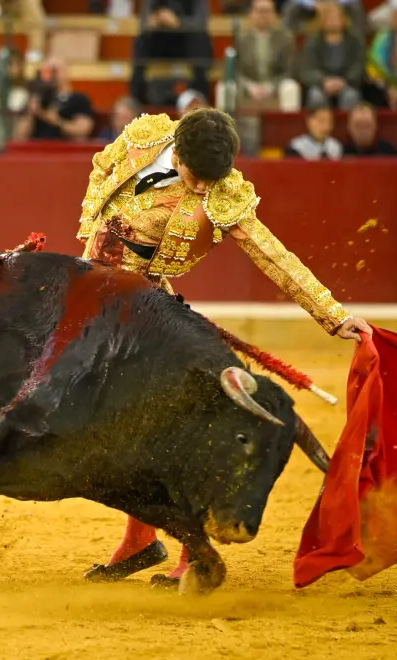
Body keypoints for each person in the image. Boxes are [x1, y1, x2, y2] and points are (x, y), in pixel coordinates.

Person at [76, 109, 372, 586]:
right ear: (178, 151)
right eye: (195, 179)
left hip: (146, 317)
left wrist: (332, 314)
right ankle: (139, 541)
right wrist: (94, 233)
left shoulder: (224, 194)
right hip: (93, 300)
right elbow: (101, 166)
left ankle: (189, 549)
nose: (199, 191)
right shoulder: (146, 136)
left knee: (151, 432)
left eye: (207, 183)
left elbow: (273, 255)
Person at [130, 0, 213, 105]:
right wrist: (154, 21)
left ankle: (198, 98)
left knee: (201, 40)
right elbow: (143, 22)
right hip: (161, 41)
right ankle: (136, 100)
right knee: (142, 39)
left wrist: (178, 22)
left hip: (186, 44)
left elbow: (201, 23)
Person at [298, 0, 365, 110]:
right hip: (320, 84)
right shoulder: (312, 42)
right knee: (316, 97)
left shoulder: (355, 40)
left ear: (343, 19)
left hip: (348, 83)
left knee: (350, 96)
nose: (333, 21)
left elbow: (359, 66)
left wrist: (344, 81)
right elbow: (307, 70)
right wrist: (323, 81)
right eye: (329, 18)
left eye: (336, 17)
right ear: (322, 20)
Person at [234, 0, 300, 111]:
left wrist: (270, 87)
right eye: (259, 11)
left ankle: (288, 127)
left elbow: (290, 71)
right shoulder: (241, 39)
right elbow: (235, 70)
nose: (263, 15)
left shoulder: (285, 39)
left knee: (290, 86)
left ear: (274, 14)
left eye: (267, 11)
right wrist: (250, 86)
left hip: (276, 85)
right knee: (225, 87)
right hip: (249, 86)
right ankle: (225, 126)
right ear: (251, 14)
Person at [13, 57, 95, 141]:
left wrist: (56, 121)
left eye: (55, 71)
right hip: (36, 149)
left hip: (64, 149)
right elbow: (19, 137)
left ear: (65, 72)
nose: (51, 76)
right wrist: (30, 114)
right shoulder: (37, 98)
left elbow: (83, 130)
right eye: (46, 72)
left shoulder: (79, 99)